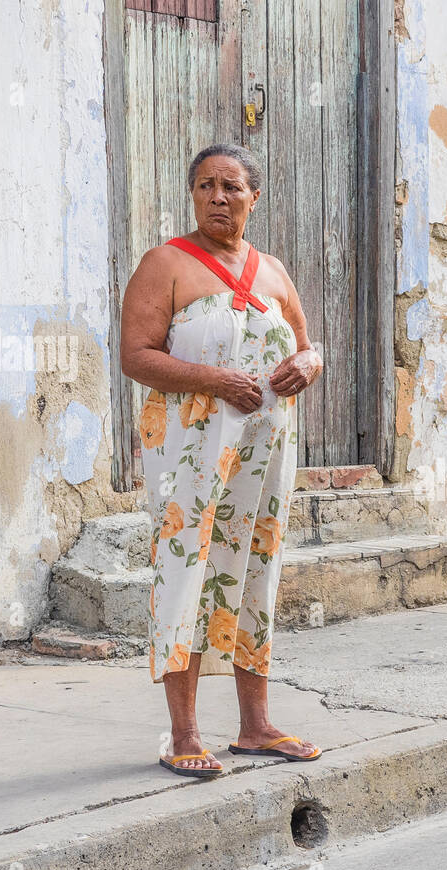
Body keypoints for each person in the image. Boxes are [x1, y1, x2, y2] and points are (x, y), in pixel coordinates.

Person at [121, 143, 324, 777]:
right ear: (192, 195)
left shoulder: (273, 271)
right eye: (206, 185)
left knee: (257, 571)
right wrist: (214, 380)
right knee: (188, 571)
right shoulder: (166, 264)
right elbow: (135, 355)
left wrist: (308, 363)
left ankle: (256, 726)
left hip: (265, 453)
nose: (218, 196)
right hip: (190, 456)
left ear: (253, 198)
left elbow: (306, 346)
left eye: (231, 186)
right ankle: (183, 733)